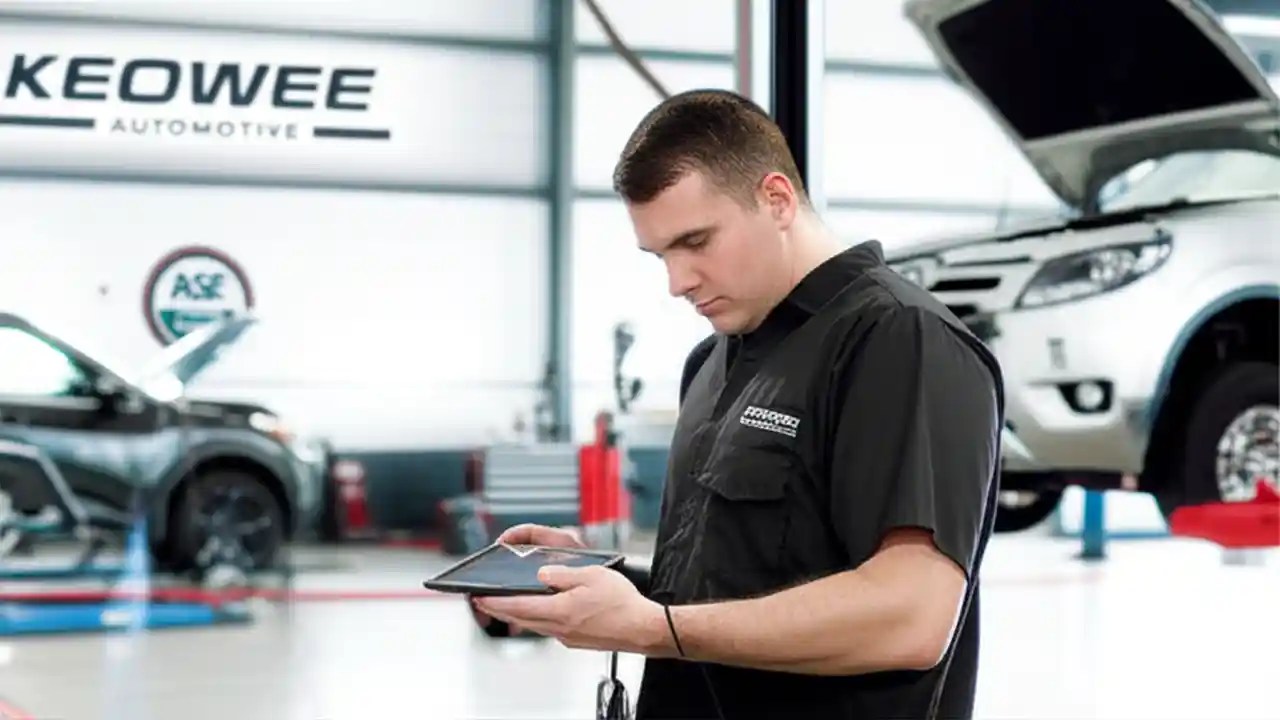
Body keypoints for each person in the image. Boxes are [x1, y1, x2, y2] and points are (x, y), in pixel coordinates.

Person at [473, 89, 1004, 720]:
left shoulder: (899, 340)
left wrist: (652, 628)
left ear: (776, 200)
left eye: (696, 241)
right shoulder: (713, 362)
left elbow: (911, 617)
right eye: (661, 255)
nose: (677, 282)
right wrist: (604, 589)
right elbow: (733, 590)